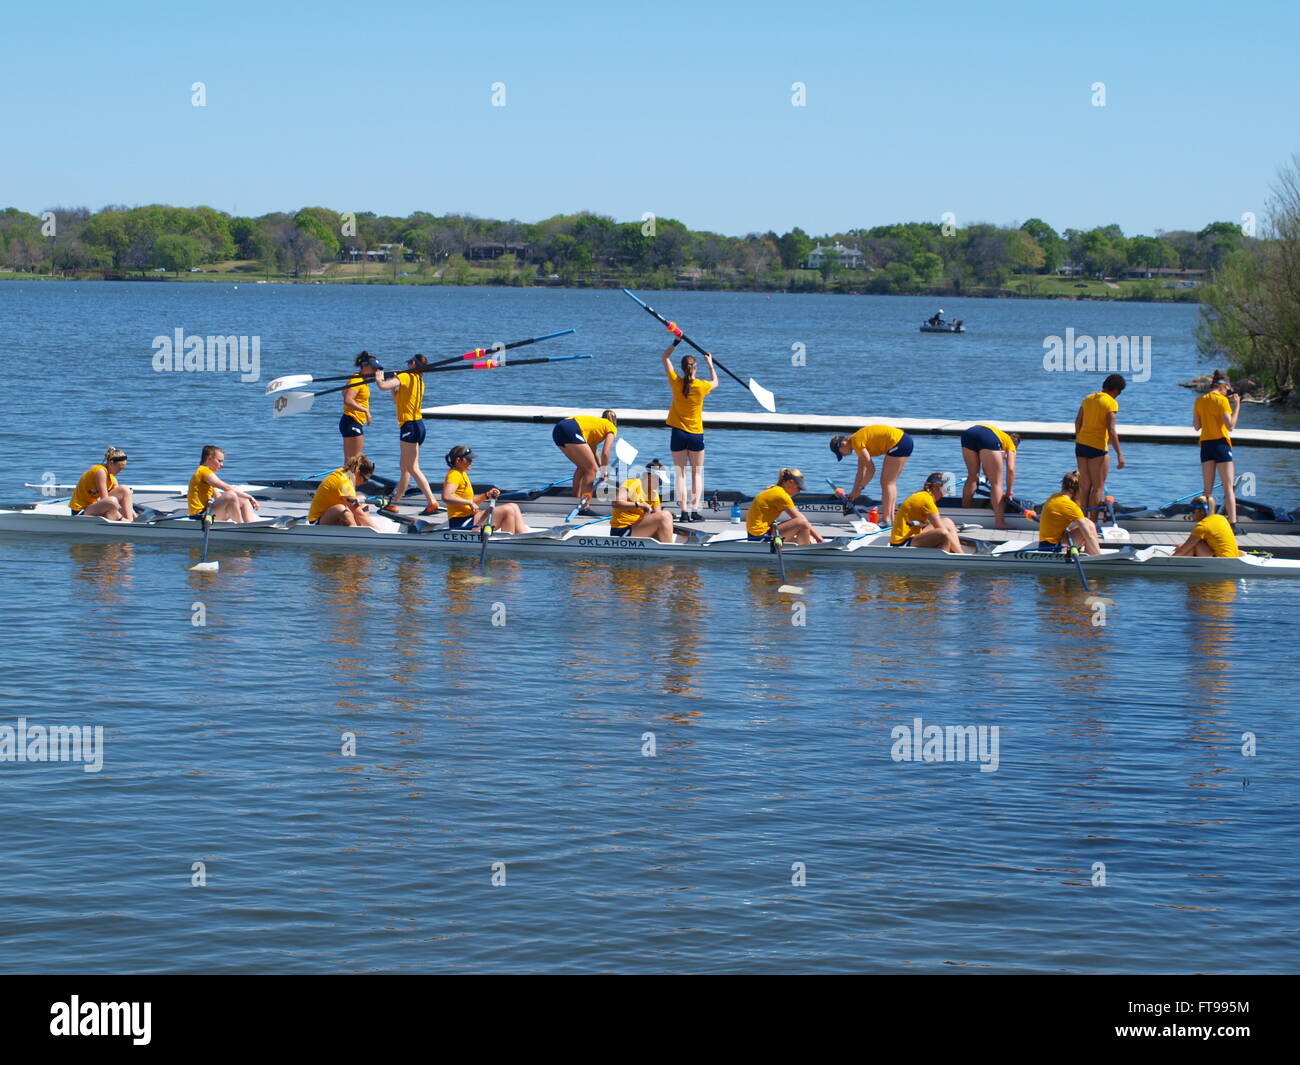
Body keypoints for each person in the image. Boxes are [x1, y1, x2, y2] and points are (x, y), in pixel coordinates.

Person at [375, 354, 439, 515]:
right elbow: (397, 400)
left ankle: (432, 502)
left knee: (412, 468)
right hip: (418, 425)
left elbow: (382, 386)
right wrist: (394, 386)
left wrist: (379, 378)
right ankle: (395, 501)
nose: (407, 365)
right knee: (405, 468)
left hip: (409, 426)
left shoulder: (406, 376)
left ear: (413, 364)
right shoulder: (419, 381)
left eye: (409, 362)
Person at [662, 338, 717, 523]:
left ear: (683, 368)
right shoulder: (702, 386)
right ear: (695, 368)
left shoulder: (675, 381)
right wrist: (710, 364)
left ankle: (684, 512)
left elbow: (664, 357)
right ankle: (695, 511)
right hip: (695, 434)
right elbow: (716, 381)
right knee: (697, 473)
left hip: (678, 433)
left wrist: (676, 341)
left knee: (680, 473)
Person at [829, 424, 915, 523]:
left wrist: (860, 488)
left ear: (843, 443)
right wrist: (854, 492)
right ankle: (891, 519)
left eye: (840, 453)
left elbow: (871, 470)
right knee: (890, 483)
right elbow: (860, 472)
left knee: (886, 482)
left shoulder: (857, 442)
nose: (843, 455)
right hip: (904, 441)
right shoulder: (857, 441)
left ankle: (886, 519)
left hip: (898, 443)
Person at [1074, 373, 1126, 527]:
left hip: (1081, 445)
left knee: (1084, 486)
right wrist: (1119, 454)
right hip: (1098, 448)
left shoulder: (1088, 398)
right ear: (1116, 390)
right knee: (1098, 487)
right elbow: (1111, 430)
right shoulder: (1111, 403)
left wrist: (1080, 438)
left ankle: (1081, 522)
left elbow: (1077, 422)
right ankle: (1092, 523)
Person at [1192, 370, 1241, 525]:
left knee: (1207, 490)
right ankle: (1233, 523)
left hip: (1206, 444)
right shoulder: (1222, 401)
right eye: (1228, 390)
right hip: (1221, 444)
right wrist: (1237, 406)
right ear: (1224, 386)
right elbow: (1230, 425)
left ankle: (1206, 522)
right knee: (1228, 486)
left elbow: (1196, 426)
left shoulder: (1200, 400)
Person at [440, 444, 526, 532]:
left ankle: (522, 535)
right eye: (468, 459)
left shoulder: (462, 474)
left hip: (470, 518)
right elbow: (446, 497)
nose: (471, 461)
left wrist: (486, 495)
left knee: (513, 506)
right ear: (458, 460)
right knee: (508, 510)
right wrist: (469, 502)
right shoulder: (454, 475)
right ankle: (508, 542)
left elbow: (470, 503)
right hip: (461, 523)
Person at [551, 410, 618, 512]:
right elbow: (606, 452)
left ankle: (576, 497)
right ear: (615, 422)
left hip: (559, 428)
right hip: (572, 429)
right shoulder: (611, 427)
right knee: (592, 470)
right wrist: (604, 472)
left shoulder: (595, 426)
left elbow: (594, 452)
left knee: (583, 467)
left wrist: (600, 466)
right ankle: (585, 506)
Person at [959, 423, 1021, 530]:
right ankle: (999, 522)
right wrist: (1009, 492)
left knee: (973, 476)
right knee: (997, 483)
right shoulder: (1011, 444)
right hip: (986, 437)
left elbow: (984, 460)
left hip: (969, 433)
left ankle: (965, 512)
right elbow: (1011, 469)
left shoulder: (1000, 436)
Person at [746, 468, 825, 545]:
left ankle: (805, 544)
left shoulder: (775, 490)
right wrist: (819, 539)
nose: (799, 491)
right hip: (760, 537)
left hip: (756, 533)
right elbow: (801, 520)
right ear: (790, 482)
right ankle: (805, 551)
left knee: (804, 528)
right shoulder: (781, 495)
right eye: (799, 488)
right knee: (802, 523)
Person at [890, 472, 963, 551]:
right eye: (945, 488)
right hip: (902, 542)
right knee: (943, 533)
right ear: (935, 487)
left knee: (947, 521)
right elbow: (940, 529)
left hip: (913, 535)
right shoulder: (927, 501)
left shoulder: (922, 495)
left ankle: (957, 552)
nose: (945, 493)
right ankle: (958, 556)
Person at [1035, 470, 1101, 555]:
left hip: (1045, 545)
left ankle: (1090, 554)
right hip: (1052, 549)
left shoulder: (1054, 497)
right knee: (1089, 527)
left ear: (1063, 485)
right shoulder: (1070, 506)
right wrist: (1101, 556)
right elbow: (1088, 535)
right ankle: (1096, 556)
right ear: (1078, 490)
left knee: (1088, 523)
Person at [187, 445, 259, 522]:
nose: (222, 465)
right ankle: (240, 526)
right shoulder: (203, 471)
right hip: (200, 516)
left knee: (243, 500)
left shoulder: (206, 475)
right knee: (231, 494)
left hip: (209, 512)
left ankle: (250, 525)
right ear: (209, 458)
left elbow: (218, 497)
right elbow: (227, 488)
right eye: (219, 461)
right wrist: (250, 497)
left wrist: (240, 501)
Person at [308, 455, 384, 528]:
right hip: (317, 521)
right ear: (357, 472)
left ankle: (363, 528)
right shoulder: (345, 483)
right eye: (365, 479)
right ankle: (356, 532)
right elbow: (359, 514)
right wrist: (379, 532)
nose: (365, 483)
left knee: (361, 499)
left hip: (329, 515)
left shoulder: (347, 473)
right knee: (341, 509)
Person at [610, 458, 675, 542]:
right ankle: (669, 549)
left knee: (666, 517)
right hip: (622, 530)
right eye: (660, 480)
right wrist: (639, 504)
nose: (661, 484)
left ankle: (668, 547)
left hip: (638, 528)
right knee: (665, 516)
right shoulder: (632, 483)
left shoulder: (654, 494)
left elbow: (657, 514)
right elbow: (616, 503)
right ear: (650, 476)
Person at [69, 447, 135, 521]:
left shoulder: (111, 476)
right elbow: (105, 500)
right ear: (111, 463)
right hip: (81, 510)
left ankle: (130, 520)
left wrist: (133, 513)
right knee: (111, 501)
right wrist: (120, 515)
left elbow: (122, 498)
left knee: (124, 489)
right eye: (120, 468)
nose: (121, 471)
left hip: (95, 507)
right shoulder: (100, 472)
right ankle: (122, 520)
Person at [340, 351, 377, 464]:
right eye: (373, 368)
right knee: (355, 461)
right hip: (352, 422)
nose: (376, 371)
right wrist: (366, 411)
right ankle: (350, 481)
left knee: (350, 461)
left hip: (350, 422)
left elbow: (344, 393)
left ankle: (346, 481)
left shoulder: (359, 379)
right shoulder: (357, 380)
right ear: (364, 366)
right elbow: (347, 400)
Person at [1173, 495, 1240, 557]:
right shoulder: (1221, 518)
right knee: (1193, 544)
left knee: (1194, 546)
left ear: (1201, 511)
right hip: (1234, 557)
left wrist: (1167, 561)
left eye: (1192, 511)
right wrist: (1183, 545)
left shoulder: (1202, 526)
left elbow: (1182, 551)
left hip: (1223, 562)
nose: (1191, 514)